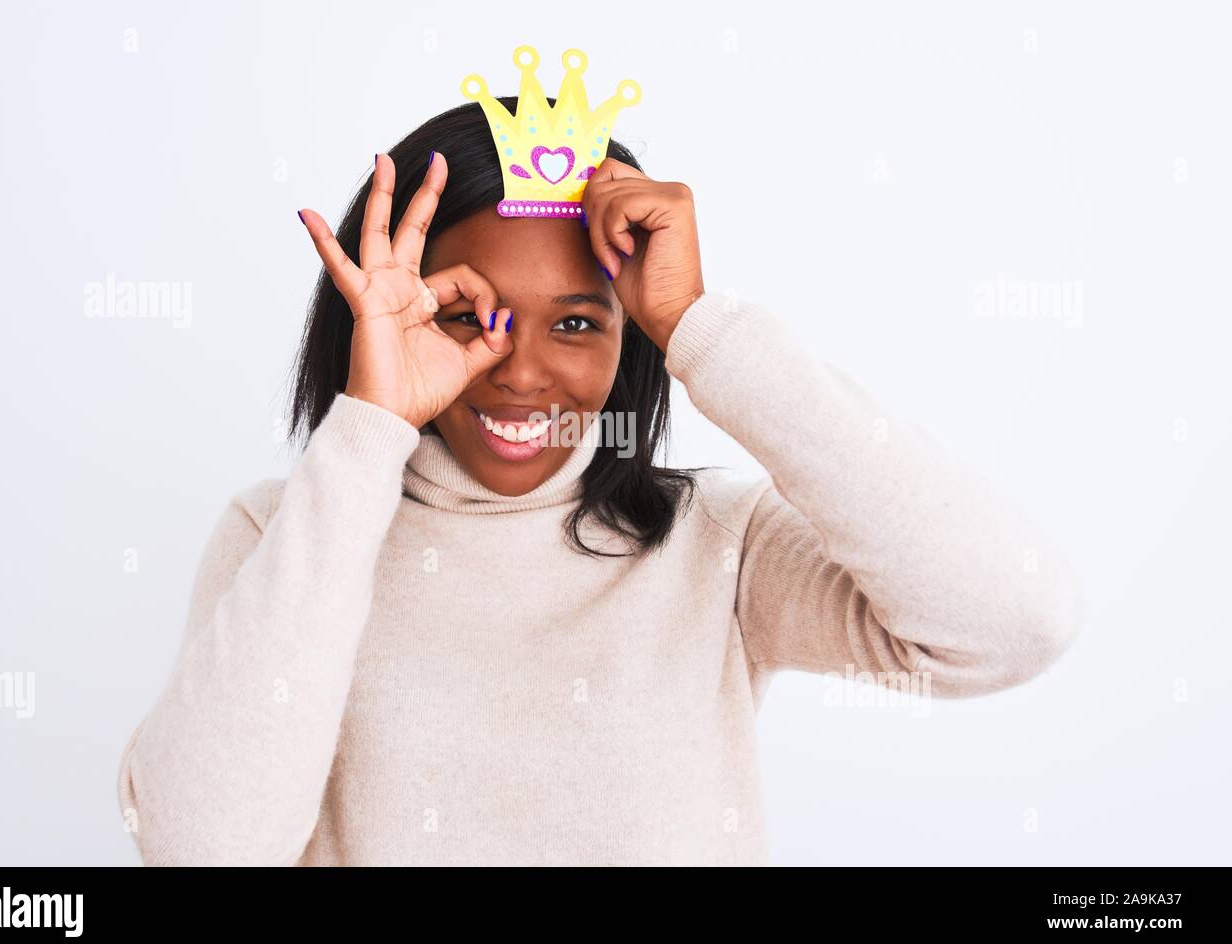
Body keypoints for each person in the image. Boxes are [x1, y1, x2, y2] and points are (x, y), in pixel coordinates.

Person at [115, 98, 1084, 866]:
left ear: (628, 342)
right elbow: (206, 852)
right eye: (465, 316)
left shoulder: (717, 541)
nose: (522, 372)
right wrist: (366, 431)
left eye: (577, 323)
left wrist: (701, 325)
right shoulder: (284, 532)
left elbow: (1011, 622)